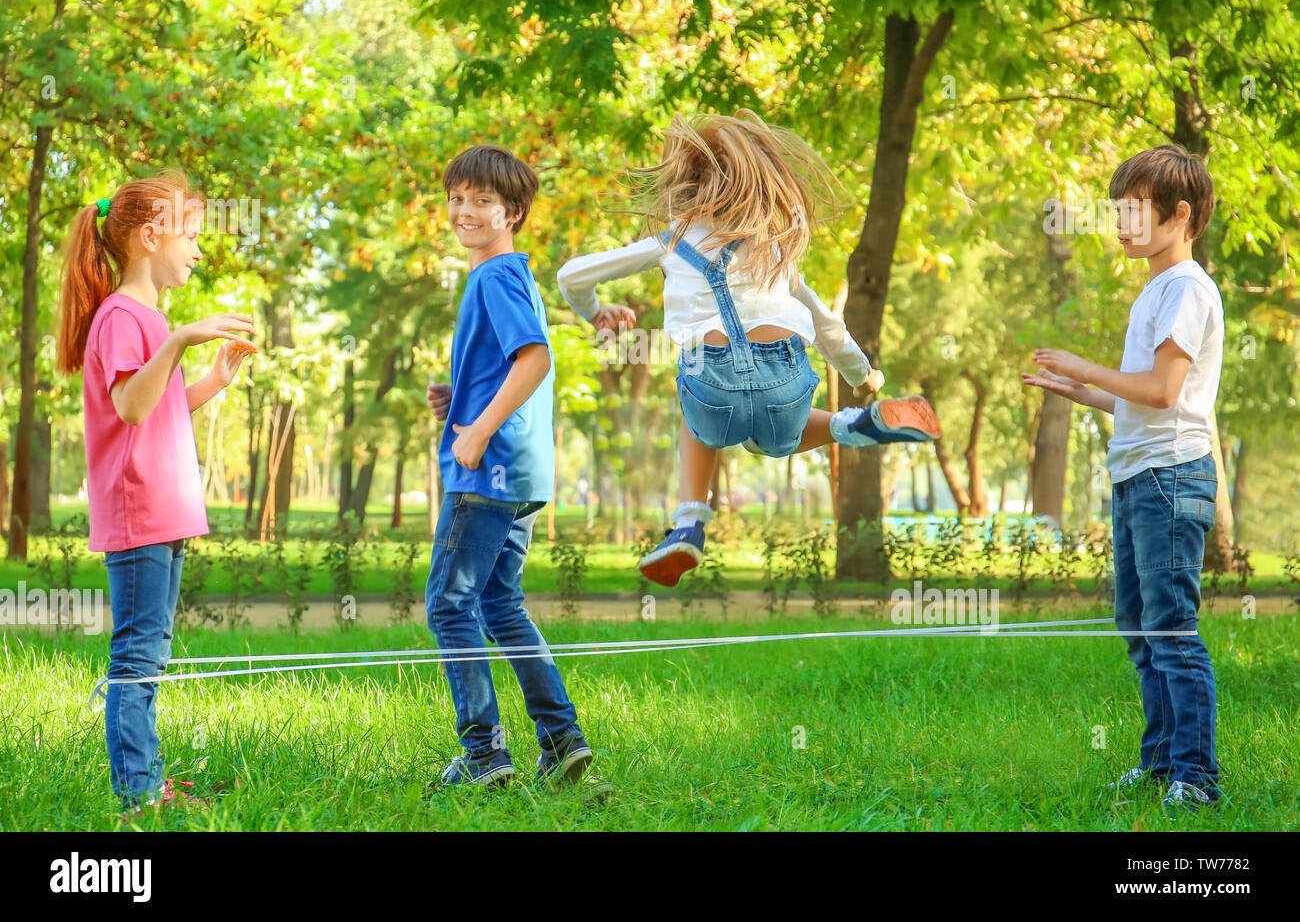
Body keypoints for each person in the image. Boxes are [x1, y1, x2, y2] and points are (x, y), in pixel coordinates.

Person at [557, 109, 940, 585]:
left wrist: (596, 313)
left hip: (710, 382)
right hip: (786, 377)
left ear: (681, 186)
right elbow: (827, 326)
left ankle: (690, 523)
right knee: (768, 434)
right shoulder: (773, 246)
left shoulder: (670, 243)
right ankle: (860, 421)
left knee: (699, 408)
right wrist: (864, 377)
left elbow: (570, 275)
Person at [1021, 143, 1224, 810]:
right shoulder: (1156, 291)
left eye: (1133, 209)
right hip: (1139, 473)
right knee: (1139, 625)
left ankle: (1197, 779)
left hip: (1169, 478)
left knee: (1170, 629)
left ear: (1180, 215)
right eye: (1118, 209)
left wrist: (1084, 365)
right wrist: (1076, 389)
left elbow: (1165, 392)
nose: (1120, 221)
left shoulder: (1188, 289)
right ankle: (1163, 765)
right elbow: (1135, 398)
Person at [56, 172, 257, 813]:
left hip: (166, 513)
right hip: (138, 512)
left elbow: (161, 407)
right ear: (150, 237)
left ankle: (147, 783)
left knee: (153, 651)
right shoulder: (122, 317)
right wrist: (177, 340)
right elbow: (129, 405)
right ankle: (138, 797)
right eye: (190, 235)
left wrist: (210, 382)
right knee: (138, 654)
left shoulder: (149, 316)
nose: (198, 249)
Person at [424, 145, 599, 790]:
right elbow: (507, 366)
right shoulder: (514, 274)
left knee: (448, 603)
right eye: (456, 198)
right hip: (523, 472)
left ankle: (484, 756)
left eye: (481, 201)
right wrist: (458, 401)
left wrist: (476, 433)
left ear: (513, 211)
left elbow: (533, 361)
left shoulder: (493, 276)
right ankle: (561, 741)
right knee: (500, 604)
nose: (464, 211)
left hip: (489, 472)